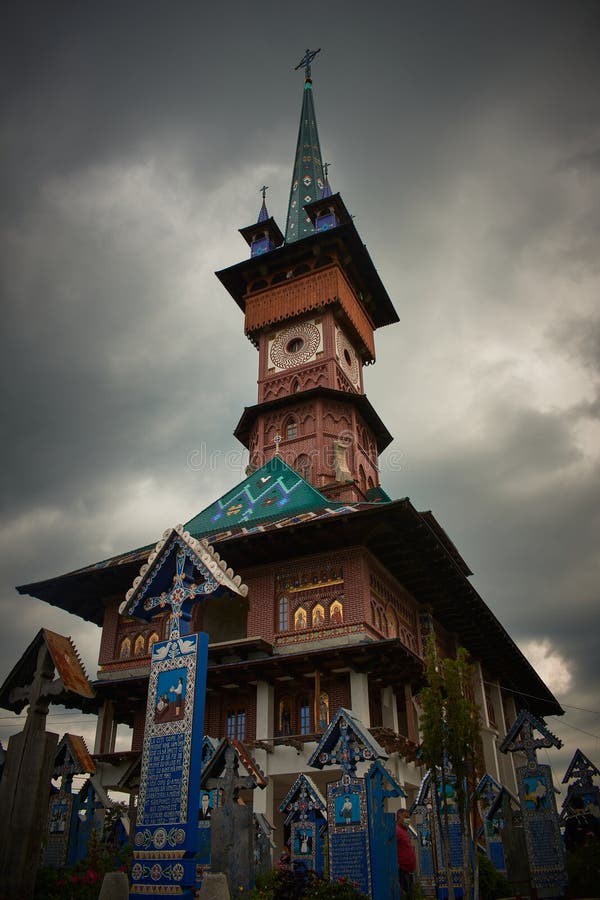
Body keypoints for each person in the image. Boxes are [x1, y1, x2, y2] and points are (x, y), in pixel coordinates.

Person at [396, 808, 417, 894]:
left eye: (408, 817)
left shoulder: (404, 831)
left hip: (409, 872)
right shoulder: (396, 830)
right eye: (406, 817)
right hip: (402, 872)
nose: (408, 820)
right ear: (399, 817)